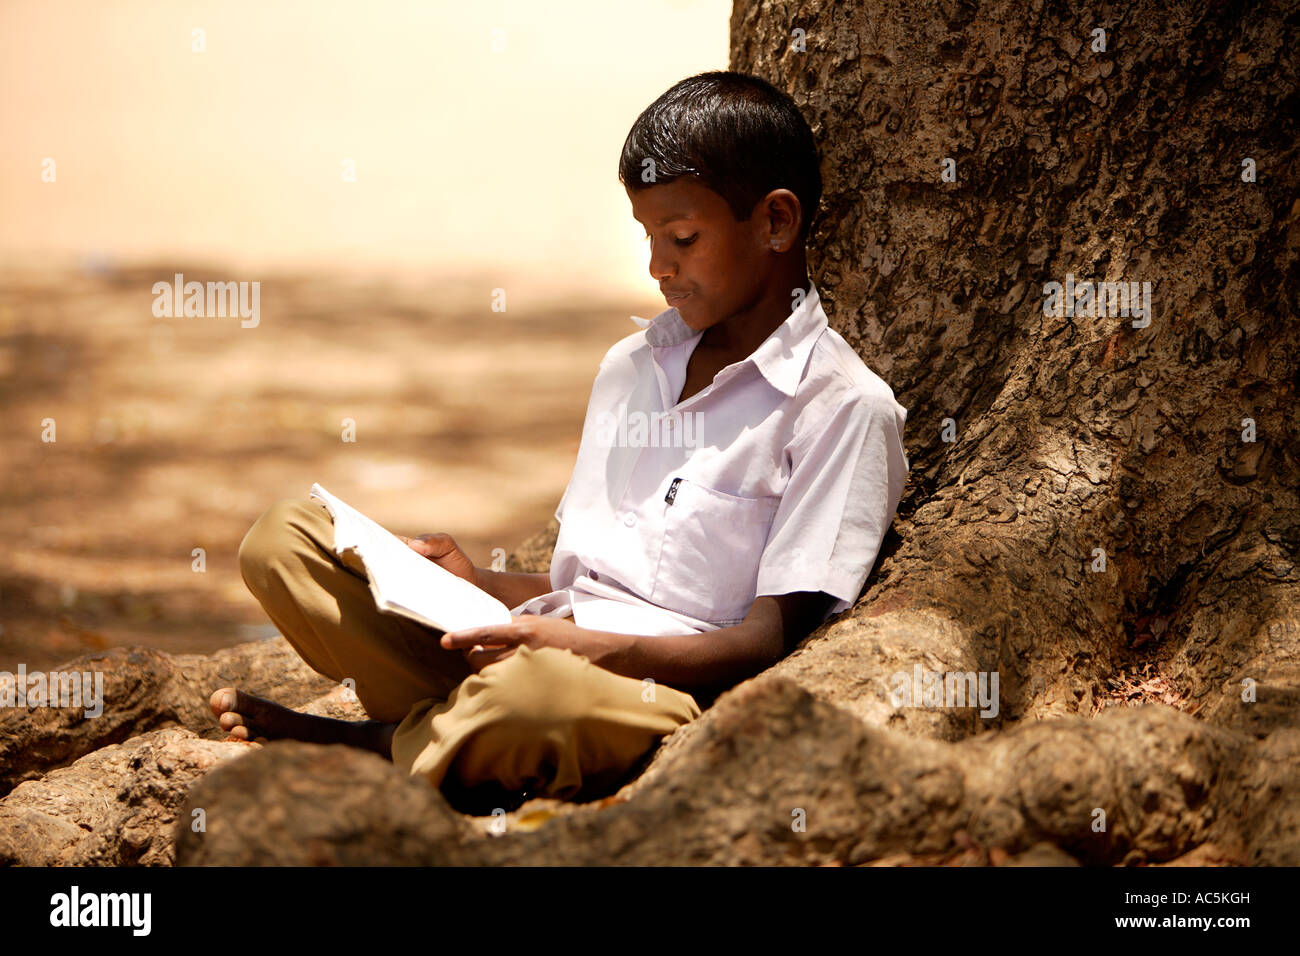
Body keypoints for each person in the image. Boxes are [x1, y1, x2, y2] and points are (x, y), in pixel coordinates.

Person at [212, 70, 910, 815]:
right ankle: (453, 735)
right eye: (647, 238)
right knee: (284, 540)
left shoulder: (841, 408)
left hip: (652, 696)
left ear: (775, 223)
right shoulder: (630, 368)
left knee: (534, 697)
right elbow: (587, 582)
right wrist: (478, 585)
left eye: (682, 239)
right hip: (540, 652)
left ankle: (368, 747)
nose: (657, 267)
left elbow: (766, 644)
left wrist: (594, 654)